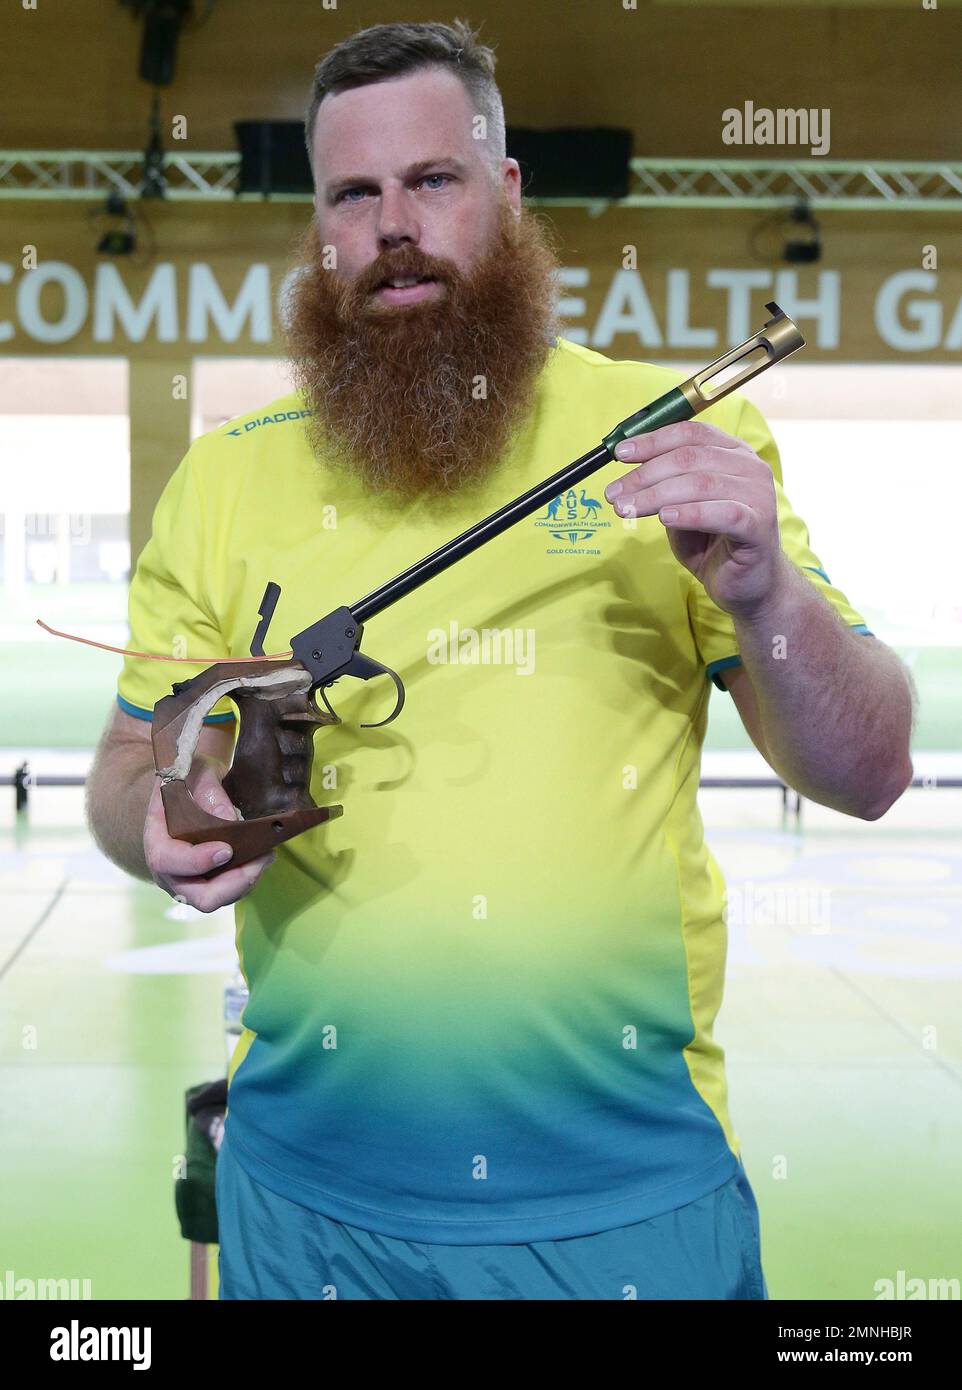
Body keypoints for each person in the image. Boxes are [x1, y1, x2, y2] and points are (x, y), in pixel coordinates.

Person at [86, 19, 915, 1300]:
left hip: (623, 1217)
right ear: (319, 227)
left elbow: (867, 769)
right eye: (352, 195)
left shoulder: (668, 437)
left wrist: (763, 593)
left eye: (433, 181)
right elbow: (128, 759)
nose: (391, 225)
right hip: (301, 1206)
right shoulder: (224, 476)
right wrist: (155, 823)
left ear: (505, 193)